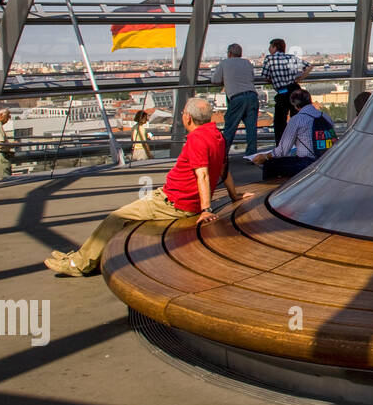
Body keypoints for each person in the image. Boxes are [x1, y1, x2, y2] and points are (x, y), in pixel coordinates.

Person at [44, 97, 253, 277]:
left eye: (182, 113)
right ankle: (84, 256)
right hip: (181, 200)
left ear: (188, 117)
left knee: (116, 218)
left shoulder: (197, 139)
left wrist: (206, 209)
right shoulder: (216, 136)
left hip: (172, 202)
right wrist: (234, 196)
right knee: (123, 218)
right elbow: (224, 169)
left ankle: (80, 264)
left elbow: (203, 174)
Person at [251, 88, 335, 181]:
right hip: (328, 162)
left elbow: (283, 150)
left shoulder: (297, 120)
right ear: (310, 101)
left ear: (295, 105)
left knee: (270, 165)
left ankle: (274, 192)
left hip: (308, 164)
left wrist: (265, 156)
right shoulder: (325, 116)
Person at [210, 42, 260, 155]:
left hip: (237, 98)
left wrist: (226, 80)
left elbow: (215, 80)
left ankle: (222, 156)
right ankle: (252, 155)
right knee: (251, 128)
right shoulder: (247, 63)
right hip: (252, 96)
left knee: (230, 128)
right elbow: (252, 78)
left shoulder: (225, 63)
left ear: (229, 53)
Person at [261, 38, 312, 145]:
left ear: (275, 47)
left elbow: (265, 77)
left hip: (283, 93)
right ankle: (301, 144)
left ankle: (281, 146)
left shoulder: (269, 59)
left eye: (270, 47)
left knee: (280, 122)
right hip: (295, 91)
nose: (269, 49)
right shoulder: (291, 57)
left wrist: (274, 79)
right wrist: (300, 78)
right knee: (297, 120)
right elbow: (309, 66)